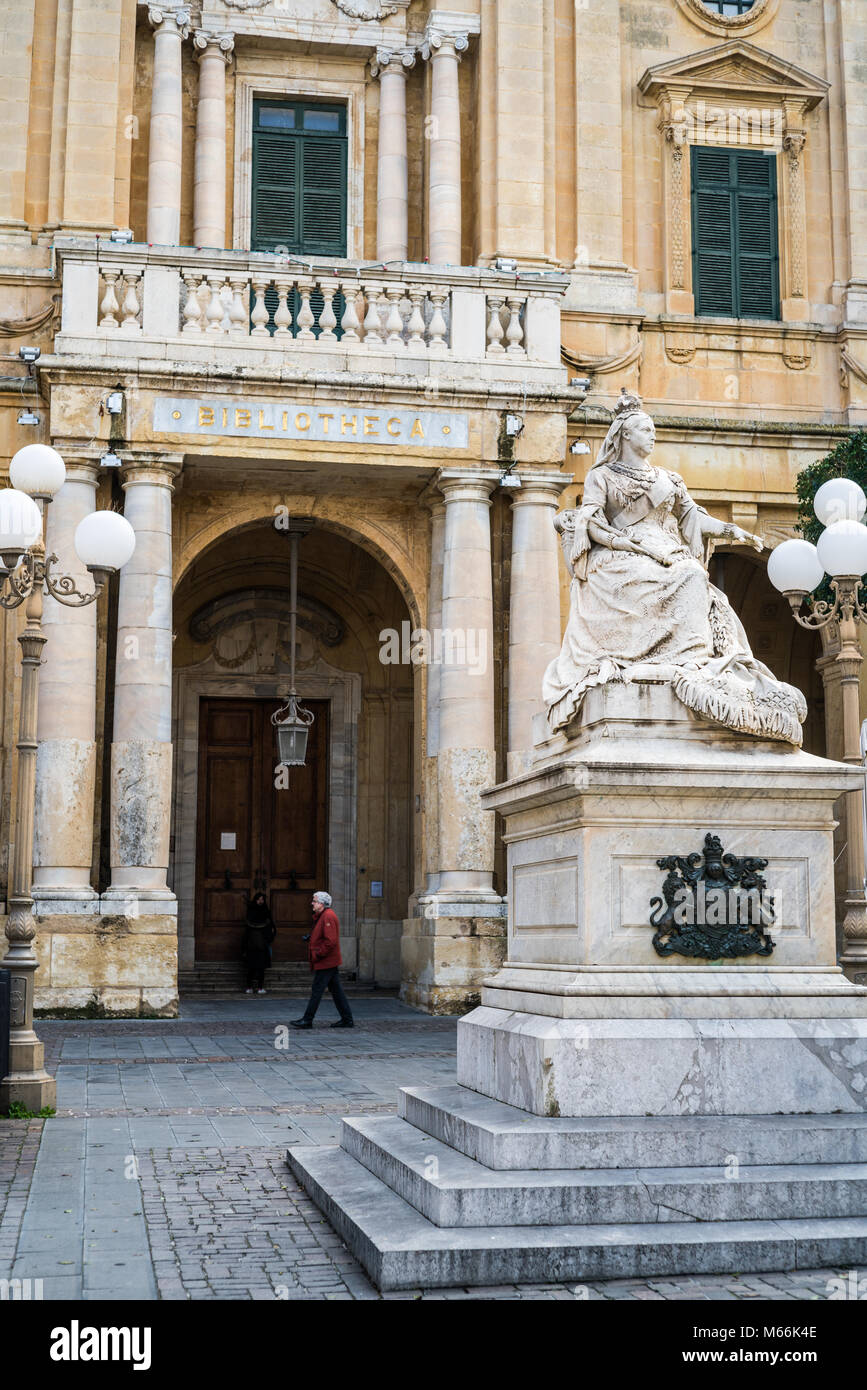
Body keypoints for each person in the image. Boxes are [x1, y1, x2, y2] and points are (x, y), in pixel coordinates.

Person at [542, 388, 807, 745]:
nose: (651, 434)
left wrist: (734, 531)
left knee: (693, 575)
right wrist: (621, 541)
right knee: (680, 575)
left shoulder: (668, 478)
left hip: (668, 550)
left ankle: (691, 661)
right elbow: (589, 519)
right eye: (644, 429)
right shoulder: (602, 476)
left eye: (652, 429)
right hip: (621, 554)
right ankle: (677, 661)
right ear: (624, 435)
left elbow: (693, 516)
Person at [290, 891, 354, 1029]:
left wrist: (319, 954)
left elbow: (330, 941)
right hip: (328, 961)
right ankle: (347, 1019)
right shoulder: (323, 916)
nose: (312, 903)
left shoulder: (328, 916)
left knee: (317, 990)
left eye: (314, 901)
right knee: (337, 991)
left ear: (322, 903)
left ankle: (307, 1020)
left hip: (326, 961)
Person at [242, 891, 276, 995]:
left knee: (261, 968)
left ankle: (260, 987)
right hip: (251, 945)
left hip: (262, 945)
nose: (261, 901)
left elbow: (271, 926)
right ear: (255, 900)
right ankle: (249, 987)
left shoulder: (265, 911)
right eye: (259, 899)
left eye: (262, 899)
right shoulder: (251, 911)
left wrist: (268, 939)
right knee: (251, 968)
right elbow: (247, 931)